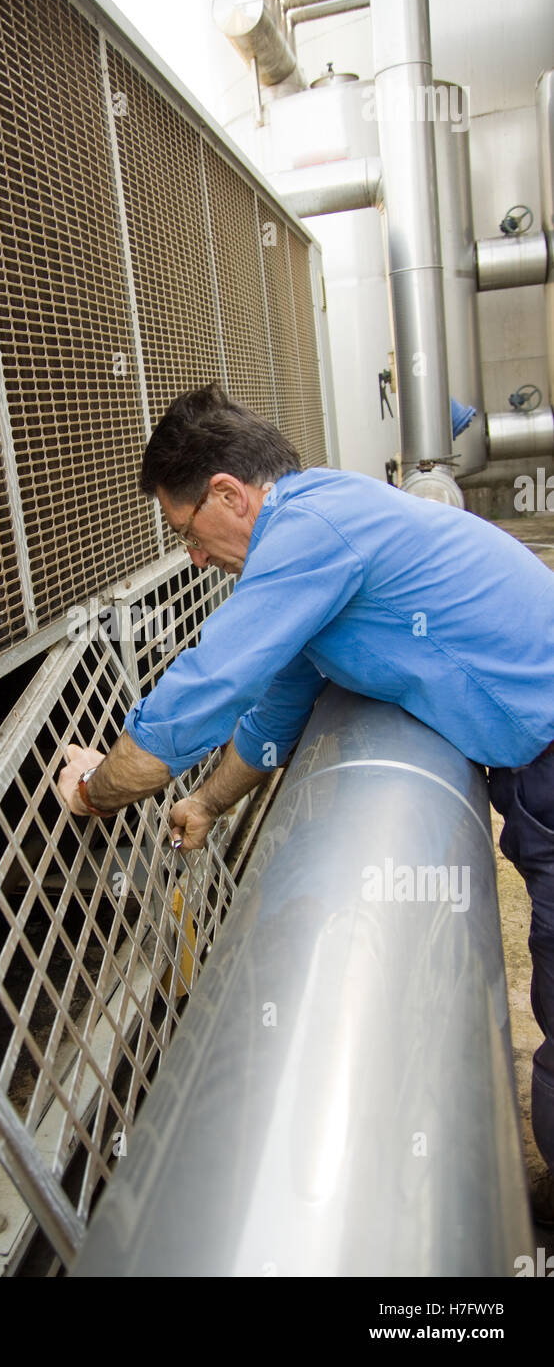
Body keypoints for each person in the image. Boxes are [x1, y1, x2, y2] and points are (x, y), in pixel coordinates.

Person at [56, 380, 554, 1213]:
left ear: (227, 495)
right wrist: (209, 804)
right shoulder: (322, 519)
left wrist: (93, 791)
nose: (192, 556)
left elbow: (204, 688)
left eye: (186, 531)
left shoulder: (308, 533)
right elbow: (275, 712)